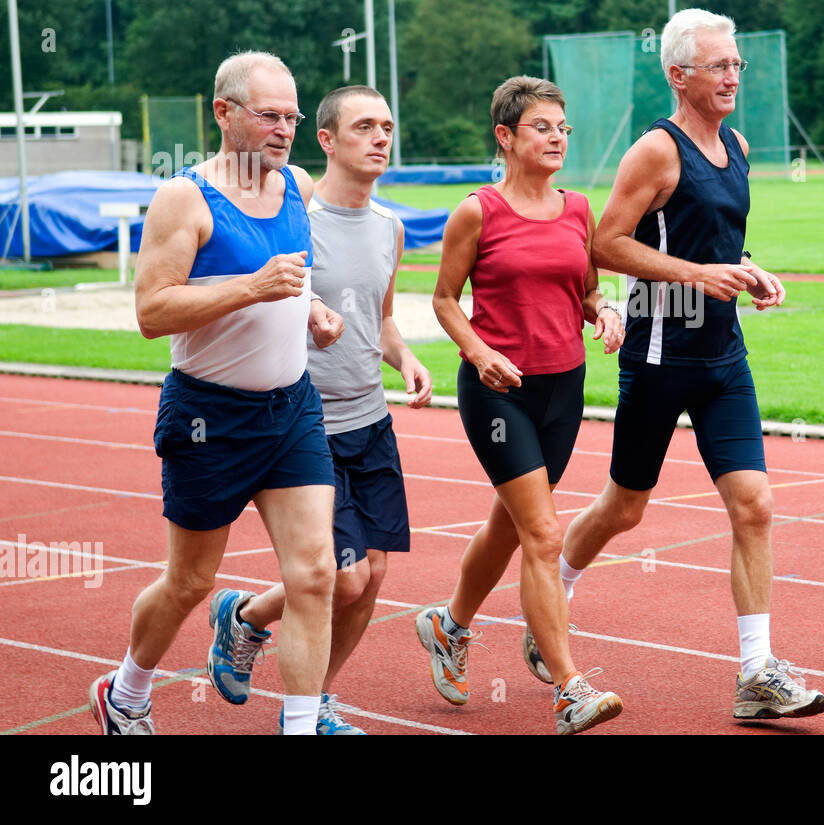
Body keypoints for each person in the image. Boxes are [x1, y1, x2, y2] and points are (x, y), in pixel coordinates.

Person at [532, 9, 824, 721]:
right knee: (624, 507)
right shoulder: (655, 152)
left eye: (737, 65)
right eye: (719, 65)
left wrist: (751, 271)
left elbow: (721, 241)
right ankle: (556, 593)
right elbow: (605, 244)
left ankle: (756, 672)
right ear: (678, 74)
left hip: (724, 358)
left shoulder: (741, 145)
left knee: (754, 504)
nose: (733, 76)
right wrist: (698, 275)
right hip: (659, 359)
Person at [90, 51, 346, 735]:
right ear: (224, 113)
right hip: (209, 416)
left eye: (292, 116)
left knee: (315, 572)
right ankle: (127, 691)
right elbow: (152, 311)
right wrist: (255, 287)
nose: (284, 128)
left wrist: (313, 311)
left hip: (291, 410)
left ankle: (298, 724)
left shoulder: (298, 185)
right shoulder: (185, 197)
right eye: (269, 114)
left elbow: (293, 278)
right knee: (190, 582)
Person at [203, 85, 432, 734]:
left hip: (371, 422)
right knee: (344, 577)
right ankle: (252, 626)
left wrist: (406, 359)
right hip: (308, 425)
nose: (381, 137)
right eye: (364, 126)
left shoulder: (391, 225)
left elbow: (383, 320)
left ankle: (308, 688)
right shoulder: (296, 215)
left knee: (375, 572)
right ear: (326, 140)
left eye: (387, 126)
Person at [414, 76, 625, 735]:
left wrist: (607, 309)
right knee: (543, 532)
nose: (557, 136)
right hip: (497, 389)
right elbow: (445, 299)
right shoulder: (477, 211)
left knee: (510, 525)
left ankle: (448, 624)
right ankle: (570, 687)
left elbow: (584, 290)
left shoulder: (579, 209)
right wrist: (479, 353)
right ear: (505, 136)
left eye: (562, 126)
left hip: (564, 388)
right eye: (542, 126)